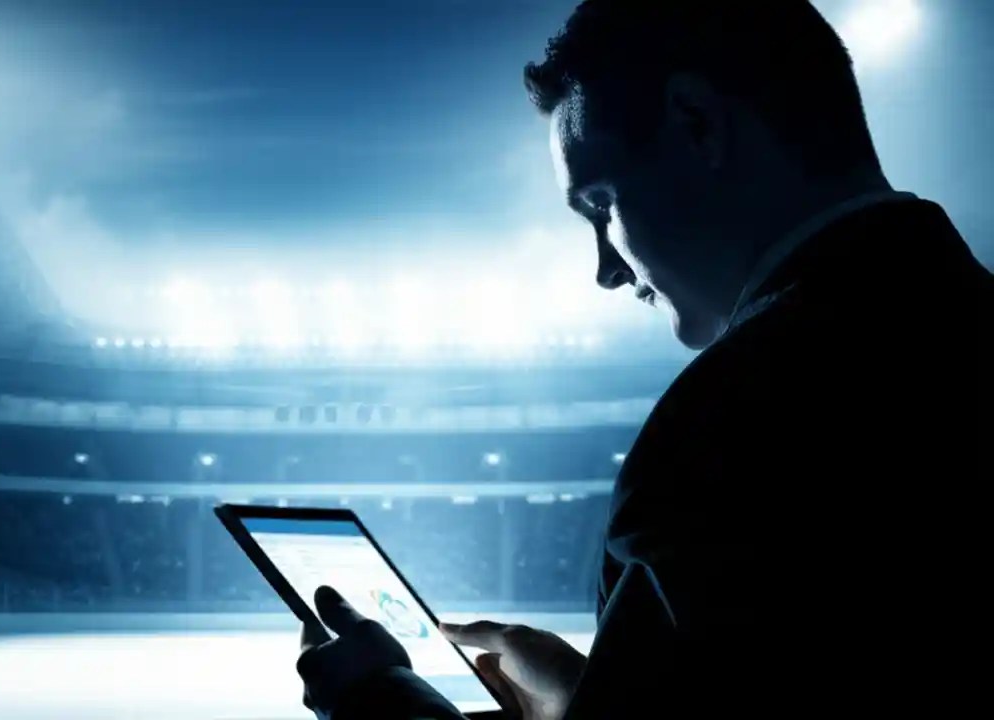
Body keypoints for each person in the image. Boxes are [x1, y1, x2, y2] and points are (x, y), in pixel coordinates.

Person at [294, 1, 993, 718]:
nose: (606, 270)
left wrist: (382, 698)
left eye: (601, 205)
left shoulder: (729, 421)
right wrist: (592, 696)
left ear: (697, 123)